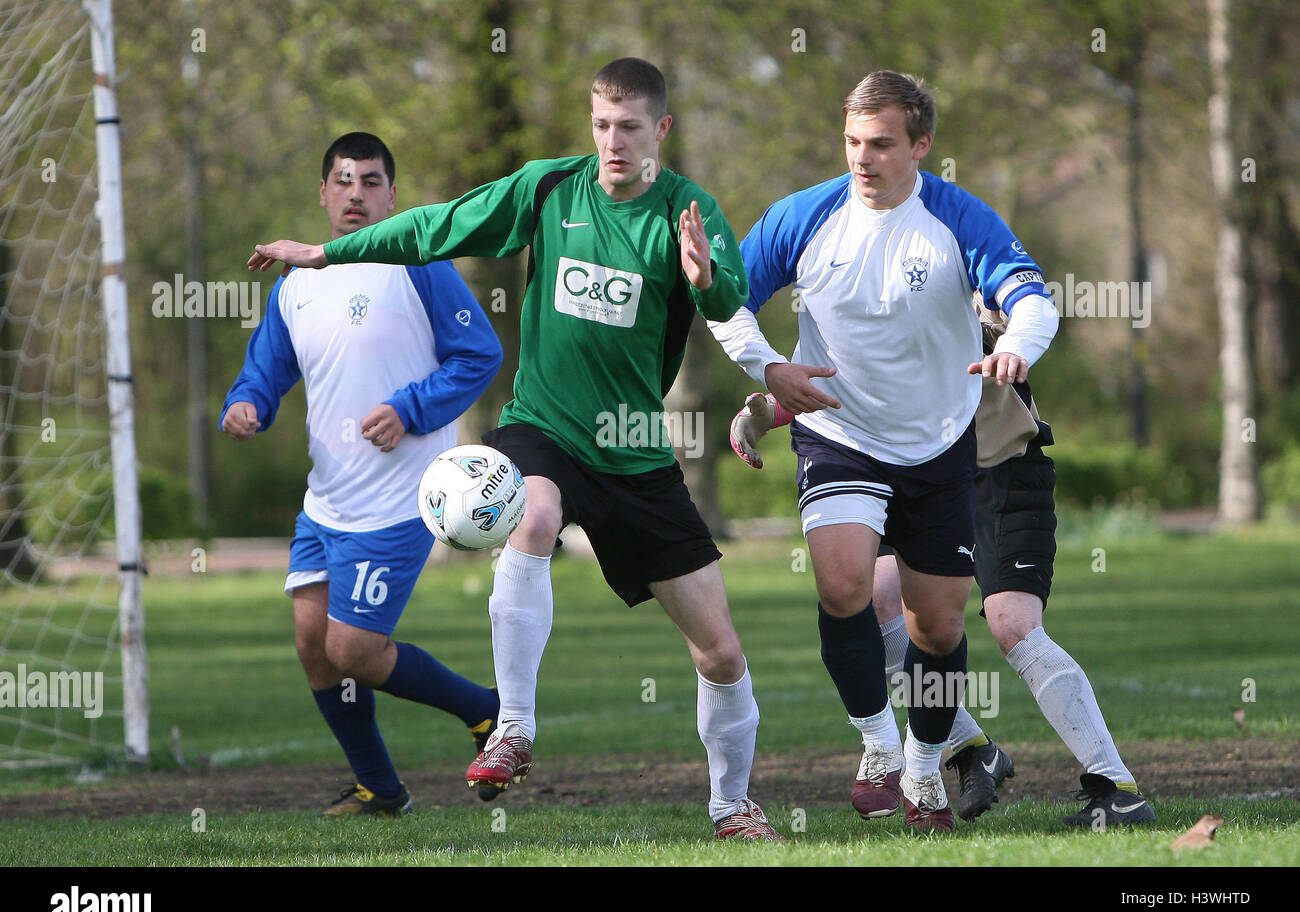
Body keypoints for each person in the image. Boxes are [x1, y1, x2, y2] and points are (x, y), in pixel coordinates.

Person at [246, 60, 783, 840]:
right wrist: (328, 253)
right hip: (545, 425)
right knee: (531, 520)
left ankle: (732, 805)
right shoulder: (548, 188)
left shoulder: (689, 210)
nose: (612, 141)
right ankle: (513, 727)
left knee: (721, 653)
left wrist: (705, 282)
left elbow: (729, 296)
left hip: (633, 449)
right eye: (601, 124)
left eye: (629, 126)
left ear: (660, 129)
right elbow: (441, 224)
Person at [710, 70, 1061, 832]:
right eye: (851, 143)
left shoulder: (958, 218)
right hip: (839, 433)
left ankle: (928, 767)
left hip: (939, 445)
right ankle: (877, 743)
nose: (862, 160)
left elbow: (1033, 299)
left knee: (936, 627)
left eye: (881, 145)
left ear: (921, 146)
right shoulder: (802, 216)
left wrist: (1018, 350)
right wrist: (767, 368)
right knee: (842, 587)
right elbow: (725, 297)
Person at [728, 294, 1157, 830]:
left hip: (1001, 471)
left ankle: (1116, 787)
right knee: (879, 599)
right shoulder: (872, 272)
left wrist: (1002, 324)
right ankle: (968, 746)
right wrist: (769, 409)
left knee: (1013, 625)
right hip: (915, 474)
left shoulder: (969, 257)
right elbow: (851, 378)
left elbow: (1022, 314)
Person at [221, 132, 504, 816]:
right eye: (344, 181)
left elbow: (480, 354)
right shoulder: (298, 281)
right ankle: (380, 787)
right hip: (327, 502)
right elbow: (270, 364)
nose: (357, 193)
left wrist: (408, 409)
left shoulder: (418, 263)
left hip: (401, 500)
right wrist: (246, 402)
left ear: (393, 196)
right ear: (323, 193)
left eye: (372, 181)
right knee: (313, 648)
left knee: (352, 647)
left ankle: (487, 710)